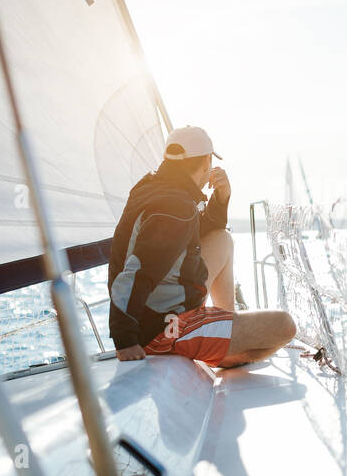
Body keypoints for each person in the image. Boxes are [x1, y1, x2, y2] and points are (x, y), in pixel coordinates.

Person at [108, 126, 295, 368]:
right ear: (206, 161)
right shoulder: (173, 208)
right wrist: (125, 341)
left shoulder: (158, 189)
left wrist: (222, 196)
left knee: (221, 239)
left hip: (162, 308)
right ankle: (225, 349)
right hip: (165, 327)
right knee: (284, 326)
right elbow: (135, 274)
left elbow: (200, 230)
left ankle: (224, 325)